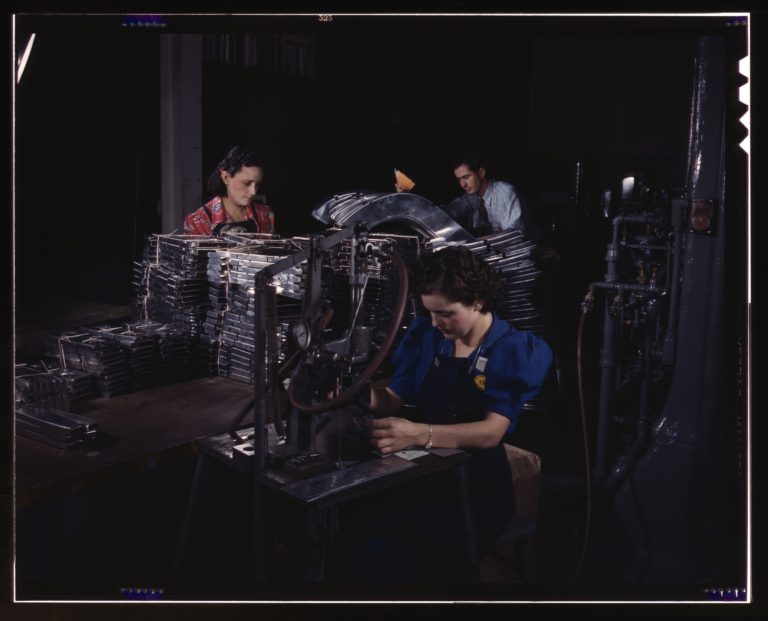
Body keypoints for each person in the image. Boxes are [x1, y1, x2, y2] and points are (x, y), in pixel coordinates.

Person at [329, 245, 553, 582]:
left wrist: (419, 433)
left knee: (397, 556)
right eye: (430, 312)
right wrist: (353, 391)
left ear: (477, 300)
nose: (436, 323)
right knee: (351, 529)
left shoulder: (513, 348)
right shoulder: (427, 336)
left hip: (477, 488)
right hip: (424, 475)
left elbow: (491, 432)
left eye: (446, 313)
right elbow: (392, 398)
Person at [183, 146, 275, 235]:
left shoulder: (264, 215)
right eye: (246, 183)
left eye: (257, 184)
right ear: (226, 178)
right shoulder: (199, 221)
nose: (253, 192)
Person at [444, 154, 539, 240]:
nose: (463, 184)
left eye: (466, 177)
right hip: (498, 248)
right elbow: (449, 210)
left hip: (525, 249)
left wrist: (480, 240)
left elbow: (514, 235)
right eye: (459, 180)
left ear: (481, 173)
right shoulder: (472, 197)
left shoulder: (505, 192)